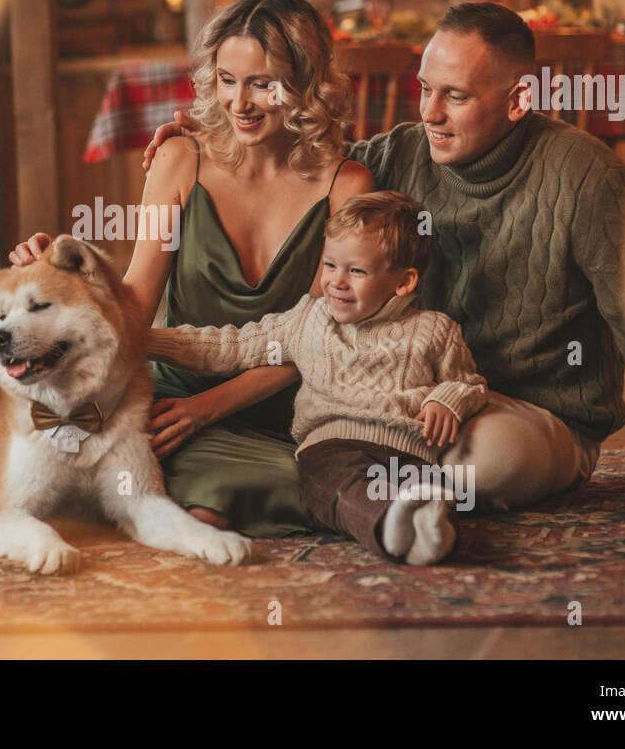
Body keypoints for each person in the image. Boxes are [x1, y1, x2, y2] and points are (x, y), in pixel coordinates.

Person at [141, 1, 625, 504]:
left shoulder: (584, 175)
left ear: (518, 100)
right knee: (352, 435)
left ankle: (383, 496)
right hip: (422, 401)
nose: (431, 114)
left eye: (457, 97)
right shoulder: (397, 155)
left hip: (532, 411)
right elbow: (307, 161)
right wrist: (215, 136)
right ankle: (382, 500)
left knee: (487, 459)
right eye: (425, 89)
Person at [9, 0, 373, 536]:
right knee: (181, 492)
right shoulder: (181, 161)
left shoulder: (348, 185)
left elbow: (322, 340)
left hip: (285, 403)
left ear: (304, 84)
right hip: (173, 394)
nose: (239, 102)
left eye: (262, 83)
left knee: (275, 485)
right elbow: (132, 301)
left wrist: (210, 408)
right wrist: (62, 278)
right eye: (227, 80)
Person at [147, 190, 490, 564]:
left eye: (356, 270)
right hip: (331, 446)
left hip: (409, 447)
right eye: (330, 265)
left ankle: (426, 524)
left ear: (404, 282)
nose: (337, 282)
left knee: (434, 489)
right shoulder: (309, 318)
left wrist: (447, 400)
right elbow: (230, 346)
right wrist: (146, 341)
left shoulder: (435, 329)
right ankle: (395, 523)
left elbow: (469, 382)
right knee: (336, 490)